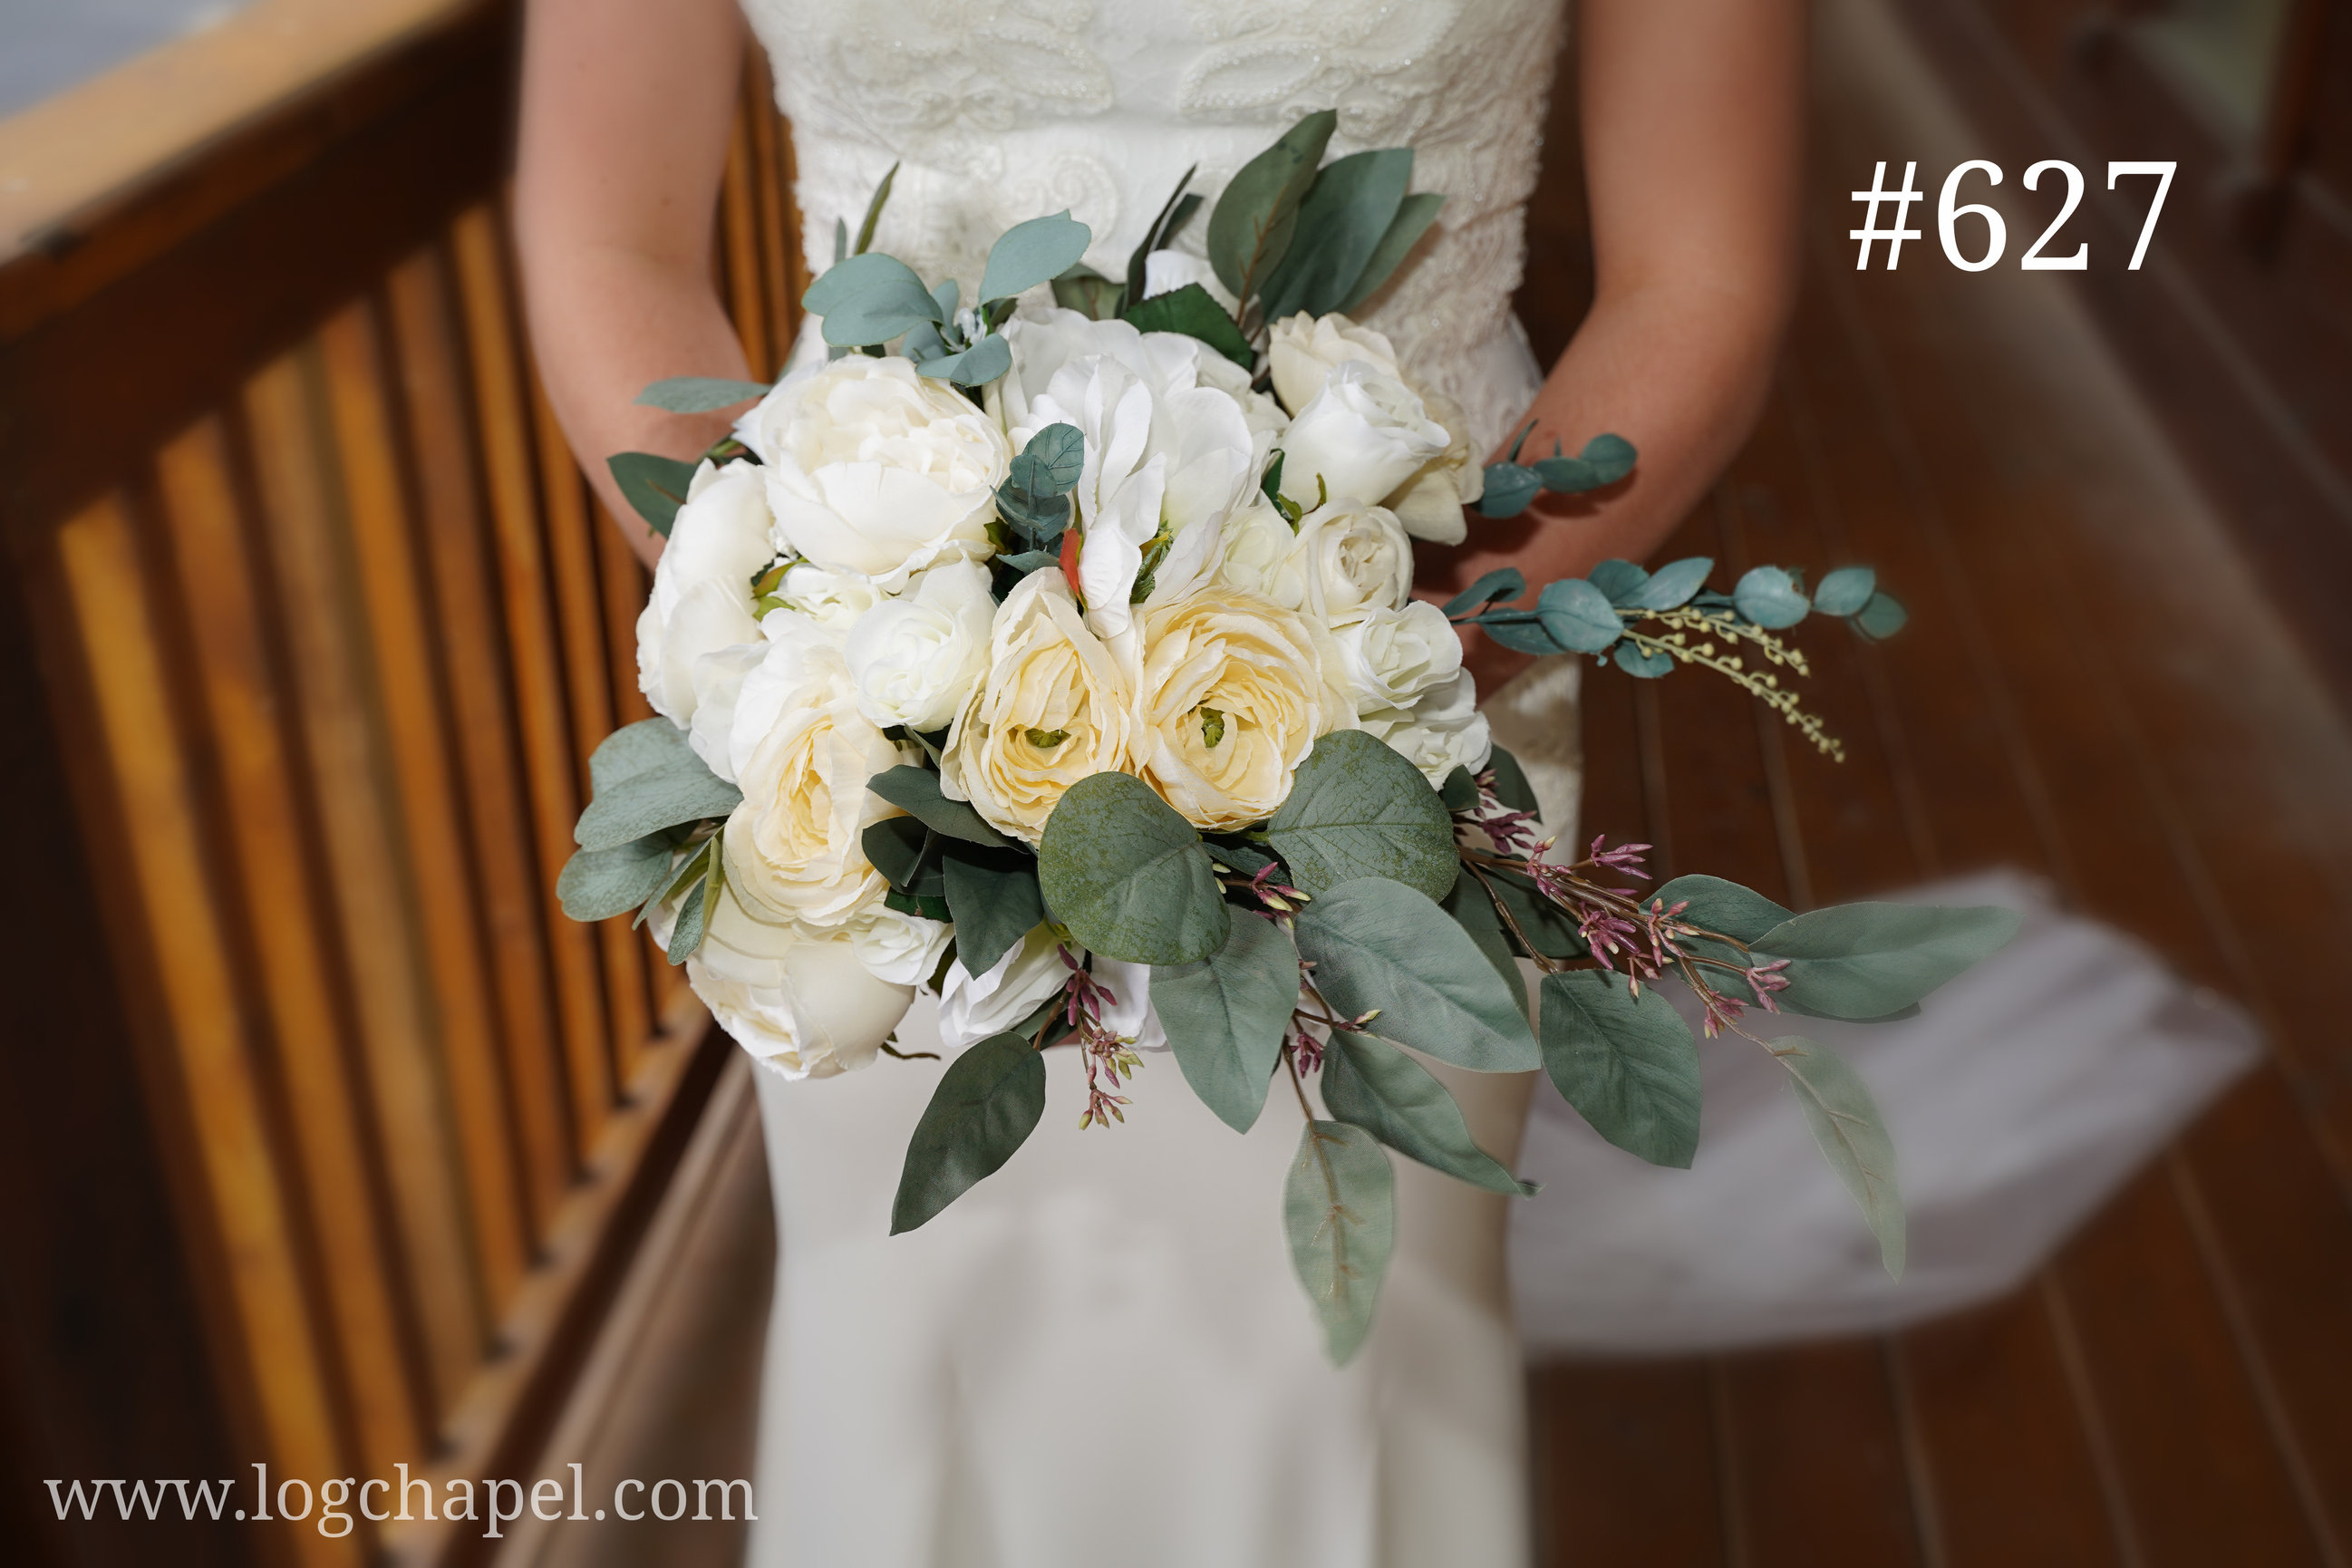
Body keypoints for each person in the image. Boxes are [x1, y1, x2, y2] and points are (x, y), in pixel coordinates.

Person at [516, 3, 1803, 1563]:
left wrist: (1370, 658)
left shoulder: (1400, 670)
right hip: (882, 729)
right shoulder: (863, 683)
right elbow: (609, 236)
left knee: (1349, 1351)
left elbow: (1702, 274)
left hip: (1419, 679)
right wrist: (815, 631)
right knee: (916, 1338)